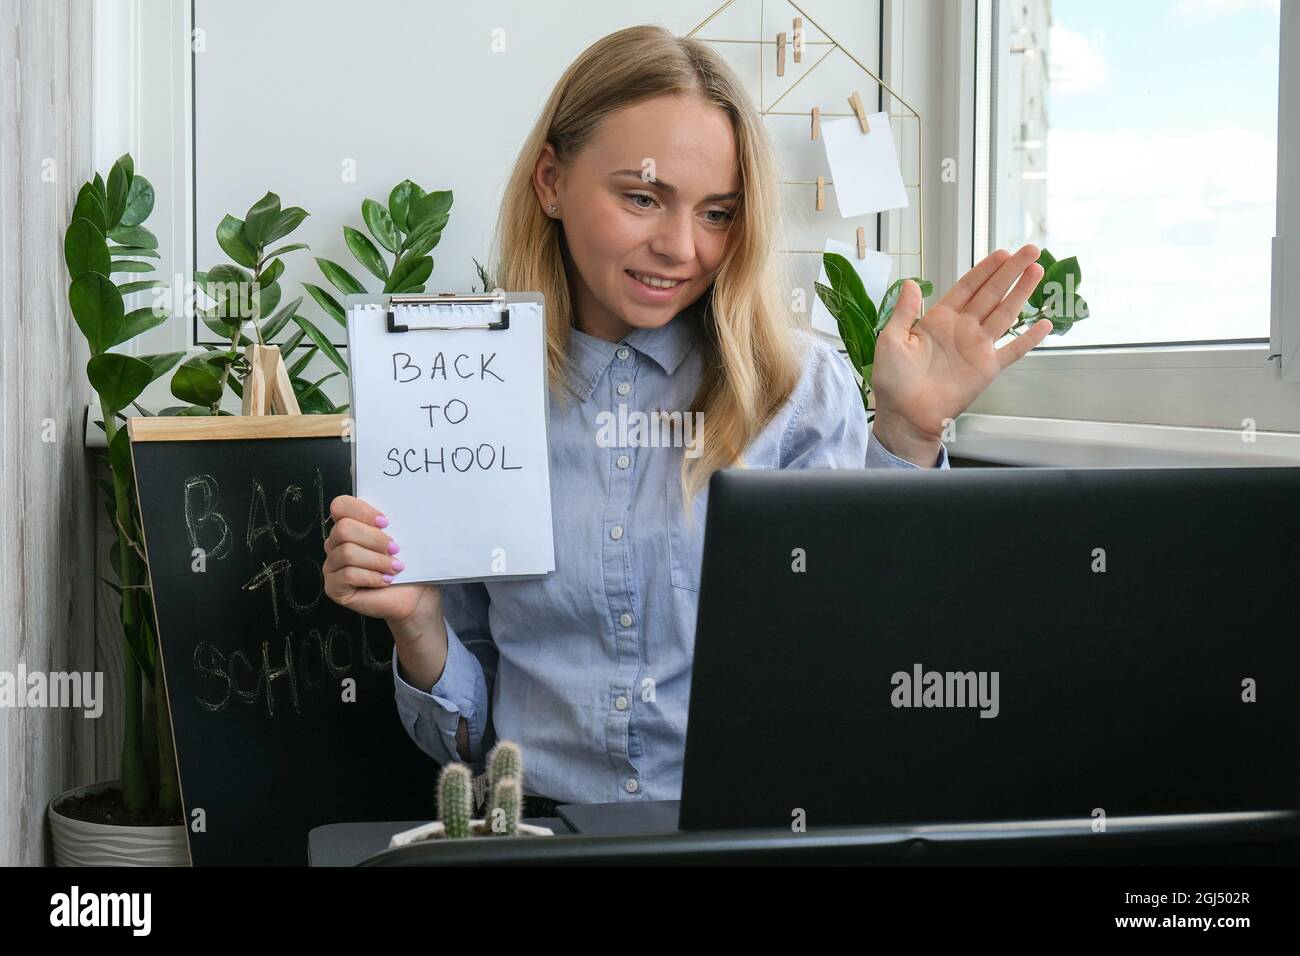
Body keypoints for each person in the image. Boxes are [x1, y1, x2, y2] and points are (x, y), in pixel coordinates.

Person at [323, 25, 1050, 814]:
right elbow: (465, 741)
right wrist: (420, 623)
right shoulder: (465, 392)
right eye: (642, 198)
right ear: (550, 182)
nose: (680, 248)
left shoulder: (798, 389)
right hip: (545, 833)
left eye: (717, 213)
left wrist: (908, 434)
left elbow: (873, 664)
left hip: (758, 829)